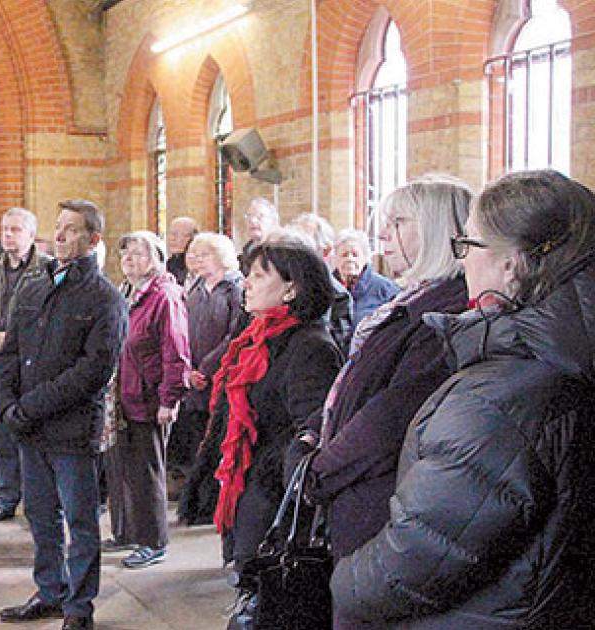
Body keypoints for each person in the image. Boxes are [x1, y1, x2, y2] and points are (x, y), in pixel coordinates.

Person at [331, 170, 595, 627]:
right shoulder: (561, 356)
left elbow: (413, 562)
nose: (464, 259)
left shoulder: (497, 396)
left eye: (469, 244)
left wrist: (341, 582)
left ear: (511, 264)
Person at [305, 176, 471, 629]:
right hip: (359, 495)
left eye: (398, 223)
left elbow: (390, 417)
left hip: (380, 503)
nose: (383, 235)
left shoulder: (444, 314)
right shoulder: (414, 301)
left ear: (438, 230)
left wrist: (319, 471)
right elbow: (355, 387)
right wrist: (312, 432)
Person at [0, 199, 127, 630]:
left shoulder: (104, 298)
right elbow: (10, 352)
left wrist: (28, 407)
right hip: (29, 428)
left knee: (80, 522)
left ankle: (78, 607)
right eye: (58, 226)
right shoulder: (35, 288)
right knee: (40, 516)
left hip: (71, 430)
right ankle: (50, 592)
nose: (61, 235)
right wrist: (6, 404)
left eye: (72, 228)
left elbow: (91, 373)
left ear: (93, 238)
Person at [200, 232, 342, 622]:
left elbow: (312, 434)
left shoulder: (310, 347)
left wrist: (265, 479)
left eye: (259, 276)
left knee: (270, 607)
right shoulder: (257, 338)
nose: (246, 283)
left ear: (291, 289)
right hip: (250, 492)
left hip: (273, 504)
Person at [103, 231, 189, 569]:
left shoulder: (165, 296)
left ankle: (153, 542)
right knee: (121, 468)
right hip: (121, 395)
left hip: (148, 397)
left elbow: (176, 351)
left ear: (156, 258)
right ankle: (126, 532)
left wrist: (169, 398)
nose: (129, 259)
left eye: (138, 254)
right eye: (125, 253)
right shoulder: (127, 291)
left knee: (146, 472)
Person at [0, 207, 51, 526]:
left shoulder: (46, 269)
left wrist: (18, 340)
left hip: (29, 366)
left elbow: (49, 316)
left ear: (31, 235)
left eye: (15, 230)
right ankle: (6, 499)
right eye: (5, 229)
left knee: (31, 438)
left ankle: (37, 505)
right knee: (1, 436)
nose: (8, 235)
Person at [173, 233, 245, 526]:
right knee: (194, 439)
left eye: (205, 255)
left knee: (215, 439)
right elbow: (181, 329)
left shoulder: (234, 289)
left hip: (219, 375)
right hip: (194, 378)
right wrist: (187, 368)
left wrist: (207, 367)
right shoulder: (195, 288)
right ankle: (196, 500)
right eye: (195, 254)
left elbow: (235, 333)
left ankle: (213, 502)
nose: (198, 260)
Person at [288, 212, 356, 355]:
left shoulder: (338, 296)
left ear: (325, 251)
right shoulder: (285, 286)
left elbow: (333, 350)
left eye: (302, 245)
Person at [332, 228, 399, 324]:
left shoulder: (386, 289)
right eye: (344, 255)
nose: (350, 259)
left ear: (365, 258)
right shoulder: (326, 287)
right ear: (335, 259)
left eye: (355, 255)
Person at [238, 198, 279, 269]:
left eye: (260, 216)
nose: (252, 220)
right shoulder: (245, 253)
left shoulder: (281, 252)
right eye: (249, 216)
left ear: (273, 221)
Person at [164, 216, 198, 283]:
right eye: (171, 234)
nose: (172, 239)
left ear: (192, 238)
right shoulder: (168, 264)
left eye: (176, 235)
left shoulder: (198, 265)